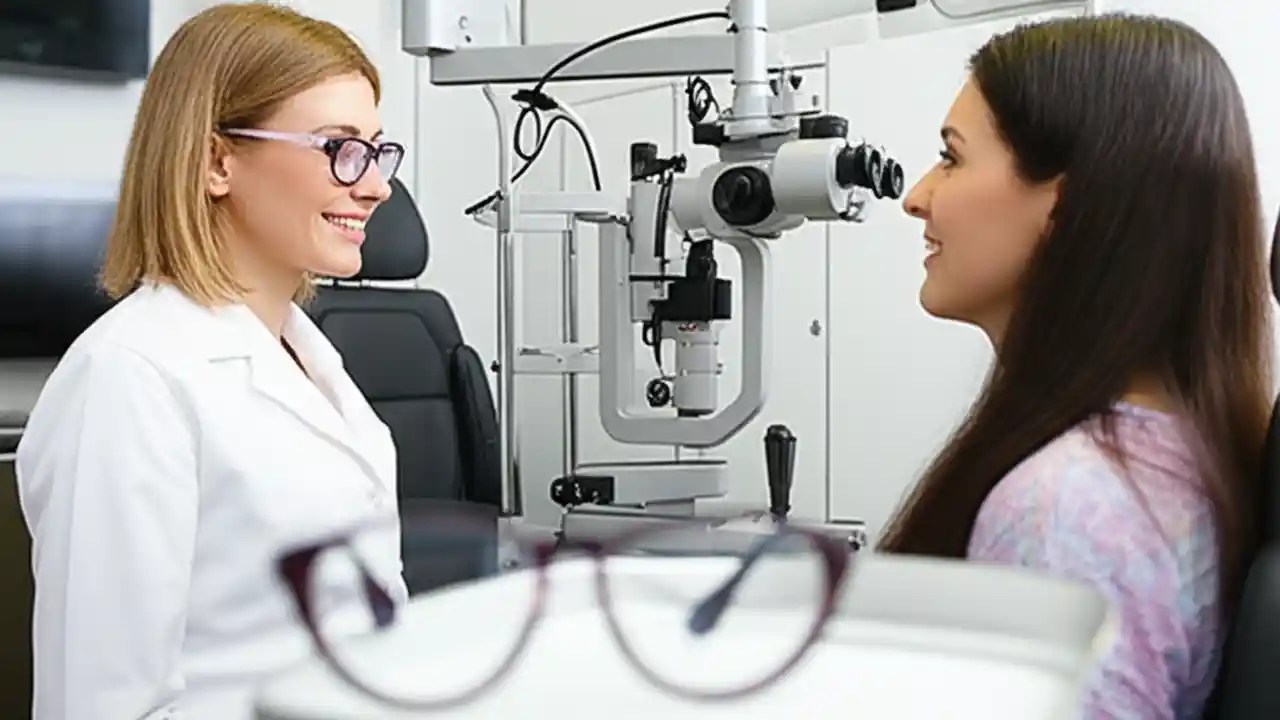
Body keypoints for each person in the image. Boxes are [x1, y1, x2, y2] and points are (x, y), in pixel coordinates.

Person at [15, 4, 409, 718]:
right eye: (339, 148)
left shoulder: (307, 357)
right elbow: (106, 702)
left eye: (379, 151)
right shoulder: (130, 377)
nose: (377, 184)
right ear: (215, 161)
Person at [879, 14, 1271, 720]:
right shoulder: (1183, 455)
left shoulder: (1065, 513)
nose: (916, 195)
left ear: (1064, 202)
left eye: (952, 157)